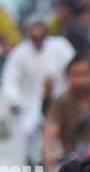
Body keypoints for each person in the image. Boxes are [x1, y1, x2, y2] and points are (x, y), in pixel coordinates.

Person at [0, 17, 74, 162]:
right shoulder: (20, 53)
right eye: (34, 37)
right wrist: (15, 100)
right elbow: (10, 78)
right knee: (28, 130)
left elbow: (72, 66)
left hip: (61, 99)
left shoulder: (59, 47)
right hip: (32, 102)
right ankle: (30, 162)